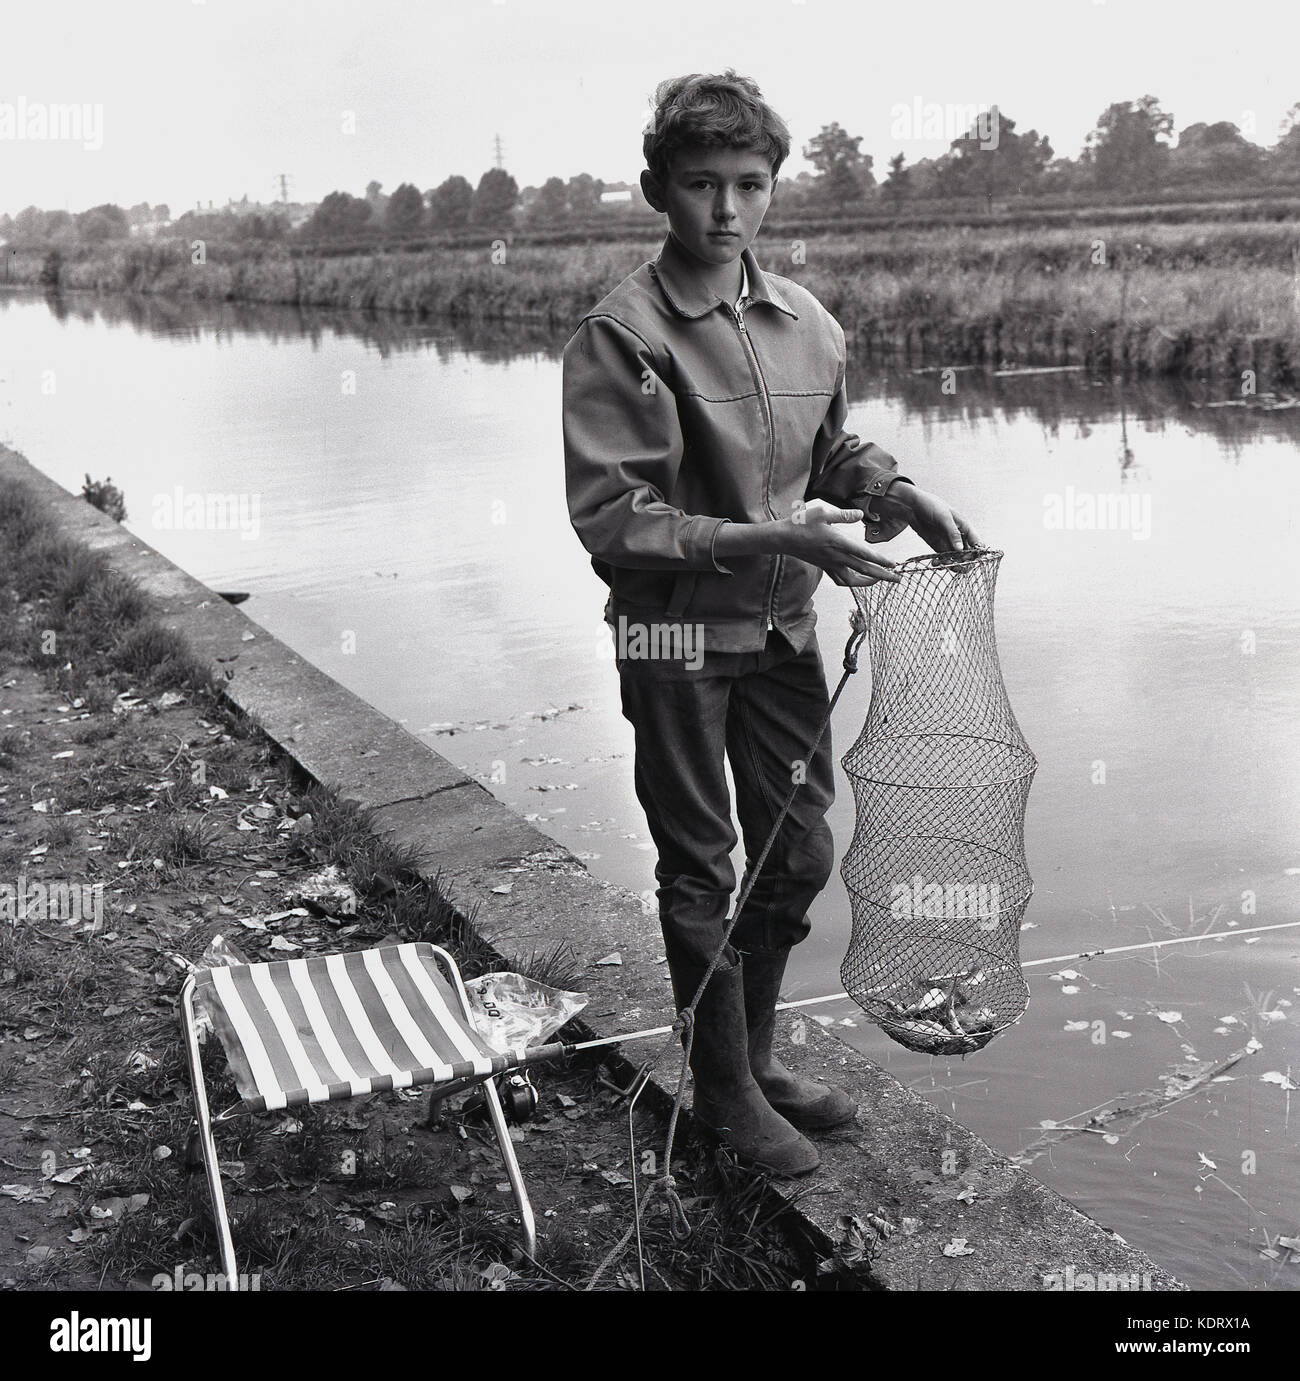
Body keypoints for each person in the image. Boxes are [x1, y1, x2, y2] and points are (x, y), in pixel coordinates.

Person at [562, 71, 979, 1176]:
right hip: (672, 637)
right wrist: (782, 539)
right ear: (658, 188)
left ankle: (747, 1055)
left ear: (773, 192)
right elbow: (618, 522)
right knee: (701, 864)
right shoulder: (621, 336)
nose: (725, 210)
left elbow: (828, 452)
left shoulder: (807, 326)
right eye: (700, 184)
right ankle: (725, 1095)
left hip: (782, 631)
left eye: (749, 185)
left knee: (795, 853)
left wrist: (894, 493)